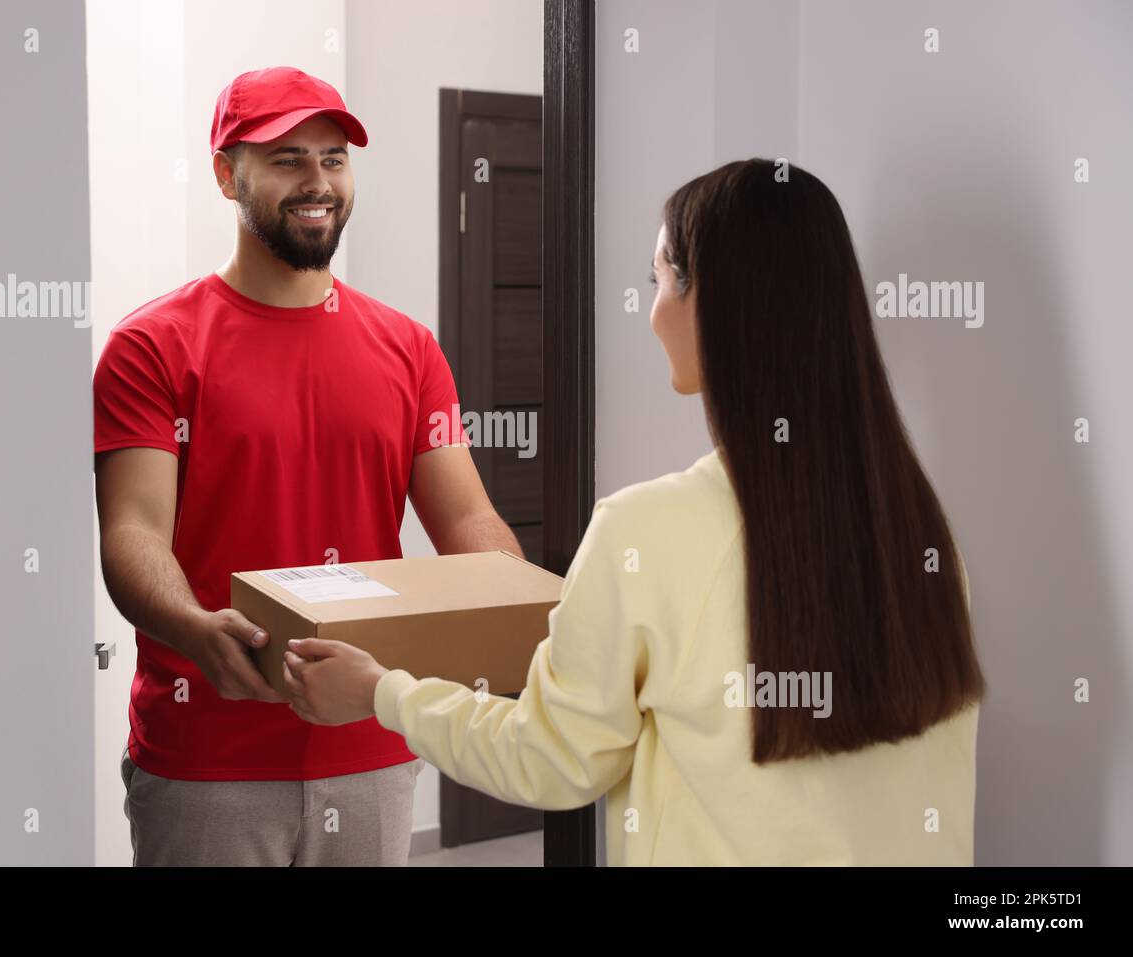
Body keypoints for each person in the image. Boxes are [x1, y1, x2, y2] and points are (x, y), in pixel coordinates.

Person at [279, 159, 988, 866]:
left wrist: (383, 692)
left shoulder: (643, 533)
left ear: (712, 302)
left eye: (660, 281)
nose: (652, 312)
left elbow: (549, 757)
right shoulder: (919, 527)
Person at [93, 66, 519, 866]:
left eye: (333, 158)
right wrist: (192, 628)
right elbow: (132, 531)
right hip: (207, 764)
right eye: (288, 158)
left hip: (372, 747)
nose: (317, 181)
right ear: (227, 174)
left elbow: (465, 518)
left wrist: (514, 602)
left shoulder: (408, 348)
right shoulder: (152, 347)